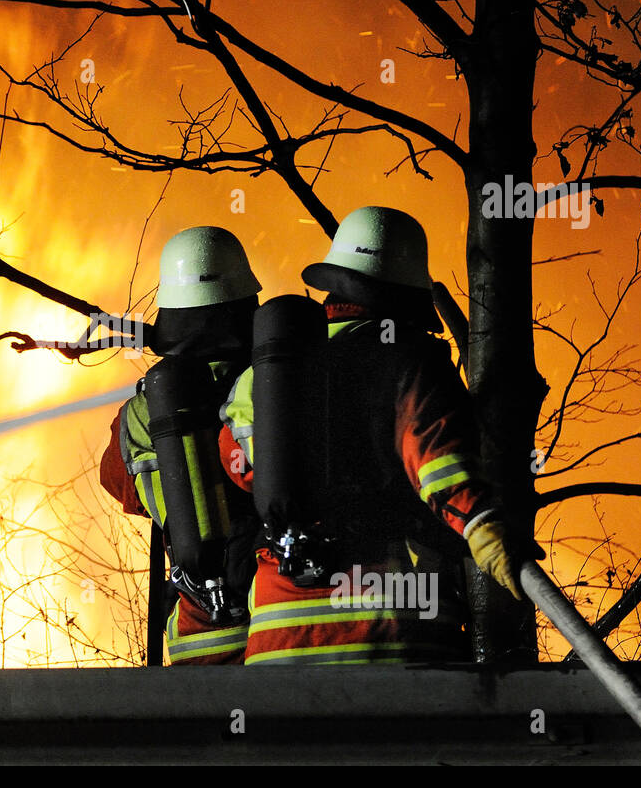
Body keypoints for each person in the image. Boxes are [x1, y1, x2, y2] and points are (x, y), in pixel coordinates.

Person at [218, 206, 543, 666]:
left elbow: (240, 466)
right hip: (390, 635)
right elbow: (437, 457)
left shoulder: (262, 377)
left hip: (277, 640)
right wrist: (485, 529)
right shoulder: (408, 360)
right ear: (408, 291)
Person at [99, 226, 262, 665]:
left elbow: (123, 488)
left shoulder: (140, 411)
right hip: (276, 614)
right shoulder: (270, 387)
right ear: (247, 305)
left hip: (198, 629)